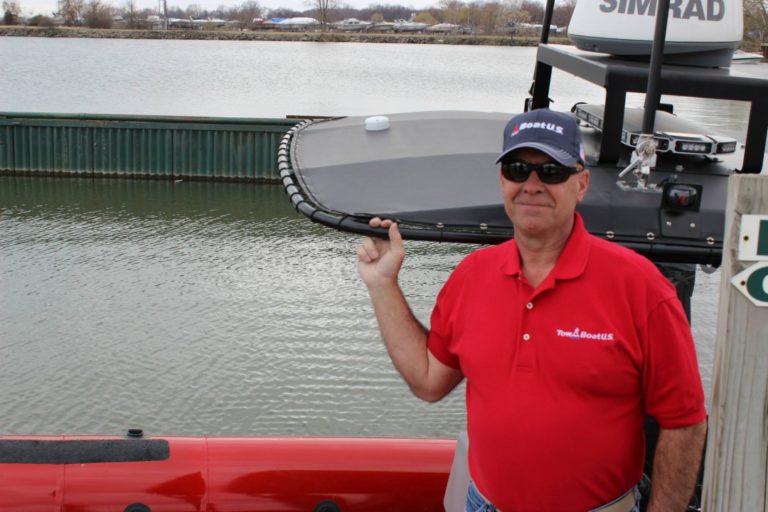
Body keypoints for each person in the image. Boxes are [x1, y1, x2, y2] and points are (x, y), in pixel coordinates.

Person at [356, 108, 707, 512]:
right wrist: (383, 284)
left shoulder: (642, 288)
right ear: (502, 181)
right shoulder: (472, 276)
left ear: (582, 183)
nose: (532, 185)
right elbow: (428, 380)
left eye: (553, 171)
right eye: (518, 169)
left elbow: (685, 420)